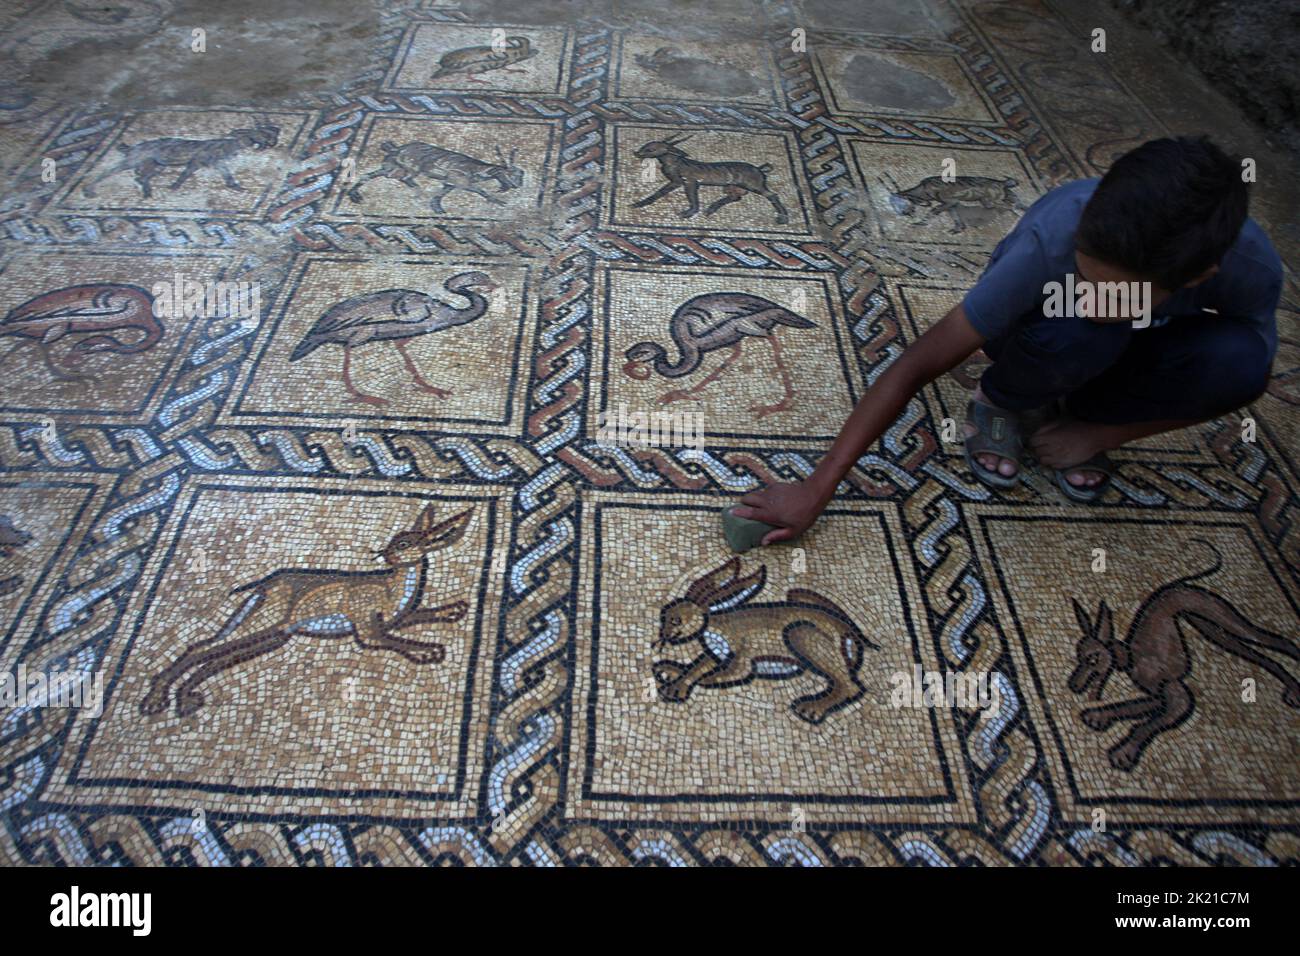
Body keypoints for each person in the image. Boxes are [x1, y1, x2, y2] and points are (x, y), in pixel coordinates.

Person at [735, 135, 1281, 540]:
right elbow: (917, 363)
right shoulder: (1059, 235)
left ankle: (1088, 414)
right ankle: (1001, 399)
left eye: (1119, 289)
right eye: (1087, 274)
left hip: (1138, 352)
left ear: (1197, 278)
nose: (1098, 291)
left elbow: (1243, 384)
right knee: (1080, 322)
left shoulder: (1247, 266)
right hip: (1042, 339)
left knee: (1238, 360)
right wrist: (818, 485)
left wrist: (1103, 436)